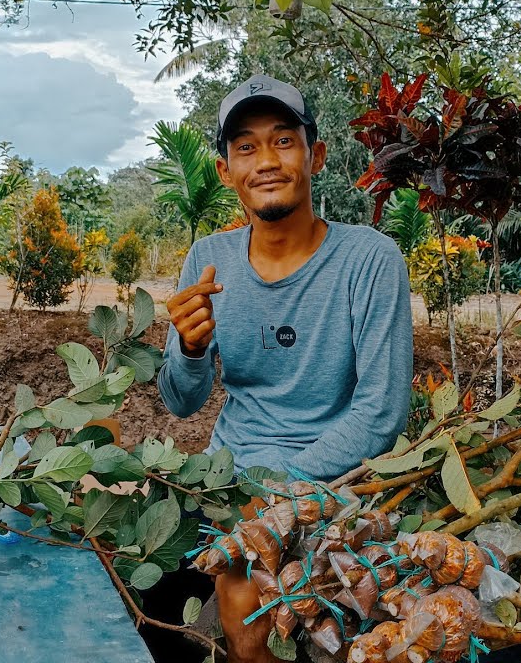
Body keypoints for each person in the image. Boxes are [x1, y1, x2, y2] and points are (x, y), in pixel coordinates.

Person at [157, 74, 414, 662]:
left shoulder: (368, 259)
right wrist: (189, 350)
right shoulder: (208, 260)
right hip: (224, 480)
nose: (265, 161)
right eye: (245, 147)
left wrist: (274, 497)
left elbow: (381, 413)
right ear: (226, 171)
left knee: (248, 609)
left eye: (283, 140)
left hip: (333, 480)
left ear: (315, 155)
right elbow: (181, 402)